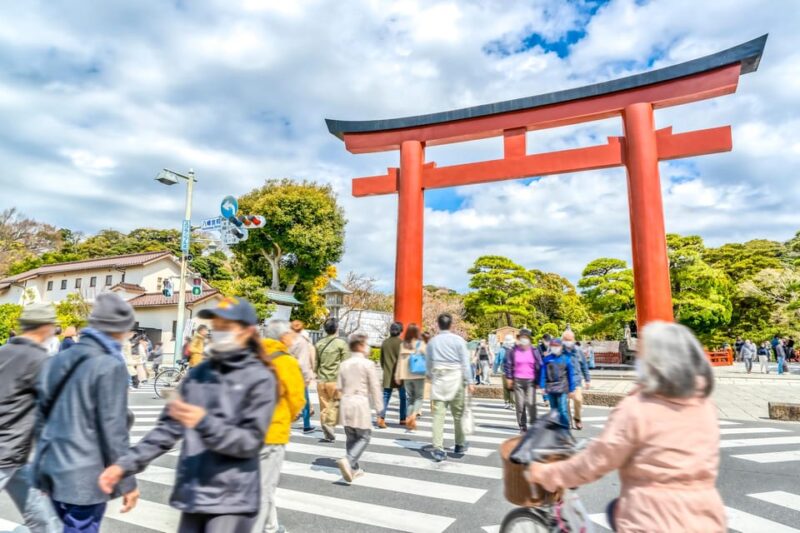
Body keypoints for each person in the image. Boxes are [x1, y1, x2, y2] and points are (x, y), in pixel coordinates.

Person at [99, 297, 277, 533]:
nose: (220, 332)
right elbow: (167, 428)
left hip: (231, 500)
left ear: (248, 331)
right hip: (193, 494)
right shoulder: (200, 373)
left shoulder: (260, 378)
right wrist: (124, 466)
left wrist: (203, 422)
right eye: (217, 326)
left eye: (227, 327)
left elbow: (249, 442)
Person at [530, 321, 726, 532]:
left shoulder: (637, 409)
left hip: (653, 519)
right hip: (707, 516)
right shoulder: (705, 406)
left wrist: (549, 474)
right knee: (615, 509)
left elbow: (597, 460)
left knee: (617, 509)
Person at [33, 293, 140, 533]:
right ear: (119, 330)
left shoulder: (57, 360)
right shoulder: (110, 364)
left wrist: (41, 469)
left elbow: (41, 419)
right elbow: (114, 430)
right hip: (85, 477)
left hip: (53, 469)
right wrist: (128, 481)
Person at [0, 304, 61, 533]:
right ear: (45, 328)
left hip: (15, 456)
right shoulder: (39, 360)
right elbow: (54, 409)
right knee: (43, 519)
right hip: (7, 450)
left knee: (43, 518)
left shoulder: (3, 351)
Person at [255, 319, 306, 533]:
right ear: (283, 337)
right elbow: (297, 400)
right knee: (264, 487)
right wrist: (290, 417)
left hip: (246, 430)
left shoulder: (251, 357)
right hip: (273, 431)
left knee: (258, 483)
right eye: (290, 334)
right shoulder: (286, 361)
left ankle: (271, 526)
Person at [426, 313, 473, 462]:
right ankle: (459, 443)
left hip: (439, 378)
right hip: (456, 378)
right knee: (458, 413)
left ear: (437, 325)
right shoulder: (459, 340)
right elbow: (465, 363)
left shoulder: (432, 342)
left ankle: (438, 448)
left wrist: (430, 376)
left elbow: (428, 363)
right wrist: (470, 380)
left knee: (439, 415)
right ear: (451, 325)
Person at [337, 333, 384, 482]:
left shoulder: (344, 364)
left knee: (351, 436)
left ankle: (354, 468)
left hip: (346, 402)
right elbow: (375, 386)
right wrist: (379, 408)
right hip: (360, 402)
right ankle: (349, 460)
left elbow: (339, 386)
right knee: (364, 436)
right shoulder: (367, 364)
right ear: (362, 346)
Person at [314, 317, 348, 442]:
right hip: (335, 380)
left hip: (321, 380)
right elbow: (346, 363)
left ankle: (327, 431)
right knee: (335, 405)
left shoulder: (318, 343)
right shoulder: (341, 344)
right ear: (337, 329)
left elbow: (315, 364)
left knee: (324, 407)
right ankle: (329, 425)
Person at [503, 329, 542, 433]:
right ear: (519, 338)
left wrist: (539, 381)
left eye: (526, 337)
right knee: (520, 405)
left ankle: (533, 423)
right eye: (522, 337)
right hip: (518, 381)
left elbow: (540, 365)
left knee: (530, 403)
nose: (524, 339)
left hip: (531, 381)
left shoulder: (534, 350)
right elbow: (508, 365)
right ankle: (522, 425)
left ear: (529, 339)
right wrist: (509, 378)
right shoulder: (513, 350)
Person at [394, 323, 426, 430]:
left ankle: (408, 417)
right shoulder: (421, 344)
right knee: (419, 397)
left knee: (410, 398)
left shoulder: (403, 345)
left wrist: (397, 376)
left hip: (406, 376)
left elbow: (399, 362)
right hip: (419, 374)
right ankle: (413, 416)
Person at [539, 337, 575, 428]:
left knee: (562, 409)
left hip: (562, 388)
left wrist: (572, 389)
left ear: (561, 347)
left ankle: (564, 429)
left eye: (557, 346)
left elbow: (571, 375)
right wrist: (542, 386)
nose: (555, 347)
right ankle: (556, 429)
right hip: (550, 388)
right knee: (553, 410)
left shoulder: (566, 359)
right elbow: (543, 374)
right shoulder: (547, 359)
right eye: (553, 346)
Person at [377, 321, 407, 428]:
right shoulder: (402, 343)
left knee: (385, 396)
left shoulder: (385, 343)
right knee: (403, 397)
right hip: (400, 375)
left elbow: (382, 360)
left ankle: (381, 418)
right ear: (400, 331)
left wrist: (386, 369)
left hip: (388, 374)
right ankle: (403, 418)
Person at [289, 320, 317, 434]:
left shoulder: (289, 341)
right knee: (305, 400)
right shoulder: (304, 341)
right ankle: (306, 425)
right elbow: (304, 361)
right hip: (300, 374)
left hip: (289, 372)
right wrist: (308, 376)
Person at [563, 330, 591, 430]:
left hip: (576, 380)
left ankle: (577, 418)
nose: (568, 341)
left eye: (569, 340)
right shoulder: (559, 350)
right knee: (564, 402)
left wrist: (587, 379)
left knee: (578, 399)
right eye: (566, 340)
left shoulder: (578, 351)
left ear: (573, 340)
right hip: (563, 381)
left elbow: (584, 365)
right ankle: (567, 421)